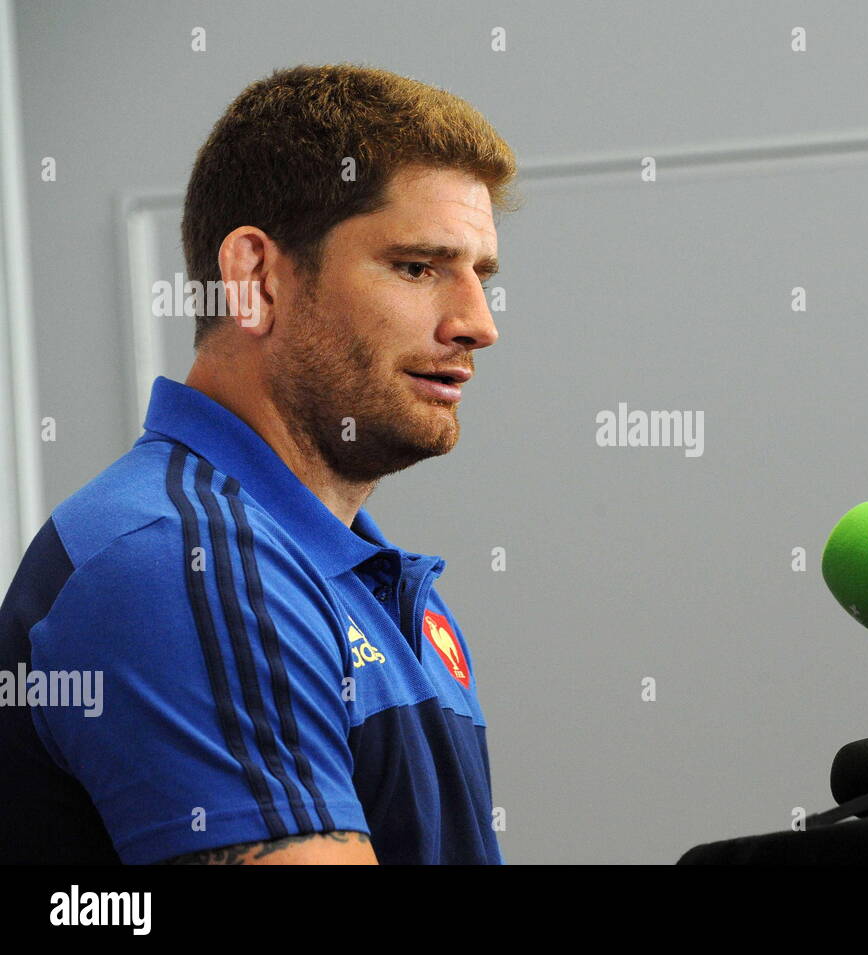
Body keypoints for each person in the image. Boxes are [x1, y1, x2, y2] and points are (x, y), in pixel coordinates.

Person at [0, 63, 521, 864]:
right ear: (254, 278)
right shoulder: (183, 560)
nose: (477, 323)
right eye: (420, 267)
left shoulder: (376, 587)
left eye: (479, 276)